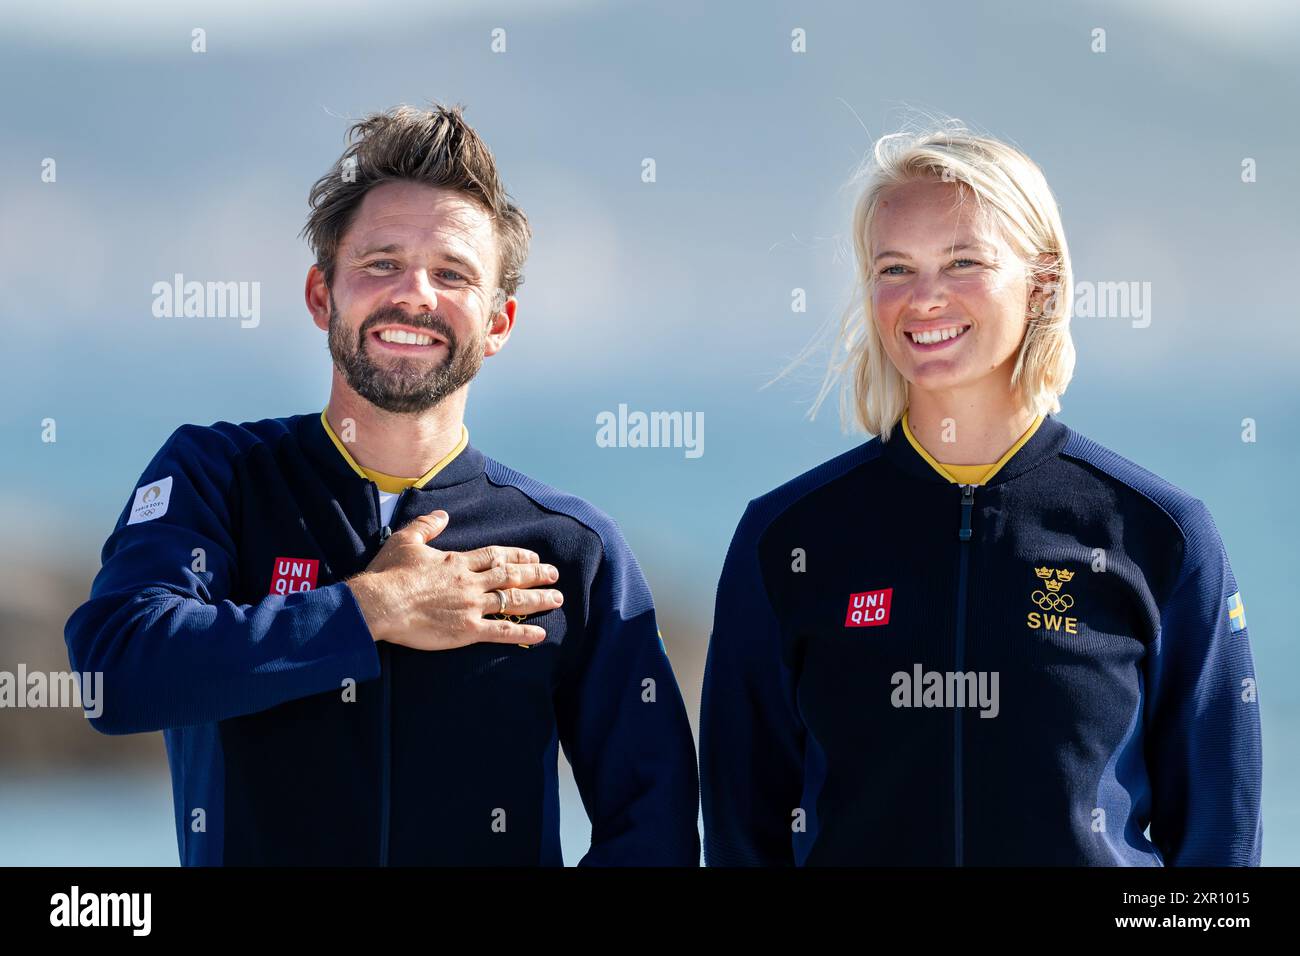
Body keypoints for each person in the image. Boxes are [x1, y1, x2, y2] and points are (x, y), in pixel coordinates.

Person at [64, 103, 699, 866]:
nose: (415, 295)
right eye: (380, 263)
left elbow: (655, 822)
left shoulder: (568, 545)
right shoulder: (217, 478)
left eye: (453, 274)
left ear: (498, 324)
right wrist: (372, 608)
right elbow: (116, 674)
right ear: (320, 295)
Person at [699, 126, 1262, 866]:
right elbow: (744, 832)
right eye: (894, 268)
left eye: (963, 261)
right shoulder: (787, 539)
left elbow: (1219, 839)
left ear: (1043, 281)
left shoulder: (1160, 533)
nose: (925, 297)